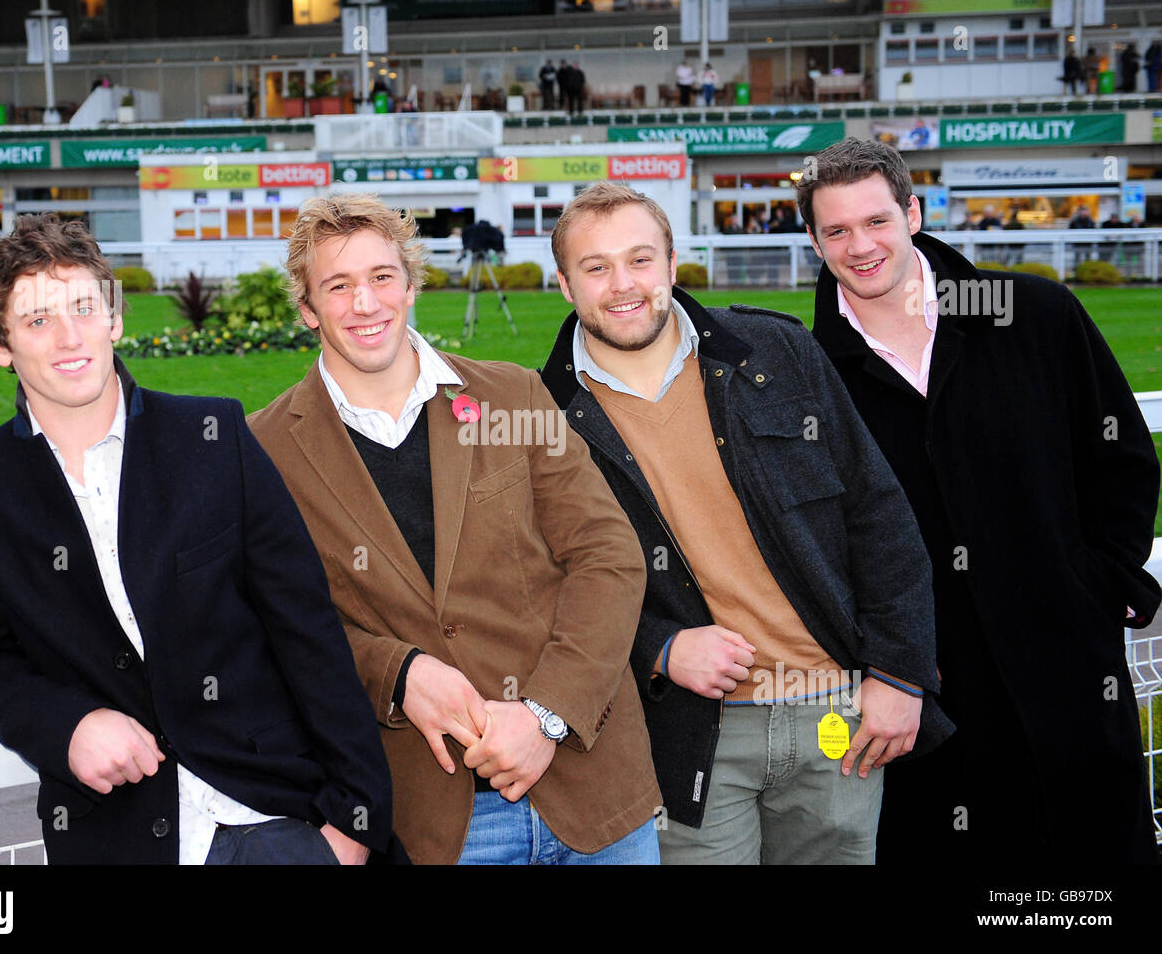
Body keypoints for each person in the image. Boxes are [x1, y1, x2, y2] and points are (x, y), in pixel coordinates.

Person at [0, 214, 402, 865]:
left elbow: (307, 627)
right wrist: (65, 728)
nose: (70, 338)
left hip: (276, 819)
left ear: (114, 319)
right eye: (38, 320)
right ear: (0, 346)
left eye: (84, 309)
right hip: (119, 836)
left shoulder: (212, 436)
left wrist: (353, 826)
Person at [540, 181, 949, 864]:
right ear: (564, 284)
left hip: (834, 715)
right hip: (686, 732)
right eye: (596, 266)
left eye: (640, 260)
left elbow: (878, 512)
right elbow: (545, 582)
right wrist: (659, 650)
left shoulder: (776, 351)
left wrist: (903, 675)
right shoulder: (542, 411)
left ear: (673, 264)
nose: (623, 285)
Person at [247, 193, 662, 865]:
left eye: (382, 277)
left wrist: (544, 715)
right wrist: (396, 672)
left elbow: (608, 558)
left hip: (587, 789)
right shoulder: (263, 449)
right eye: (338, 285)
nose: (365, 302)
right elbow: (277, 621)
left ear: (410, 286)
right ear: (307, 309)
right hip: (436, 820)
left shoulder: (513, 395)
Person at [799, 137, 1159, 865]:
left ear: (914, 212)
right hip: (924, 691)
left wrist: (1099, 584)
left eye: (876, 222)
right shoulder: (807, 370)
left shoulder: (1037, 314)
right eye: (836, 230)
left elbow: (1119, 459)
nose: (860, 246)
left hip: (1065, 664)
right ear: (813, 239)